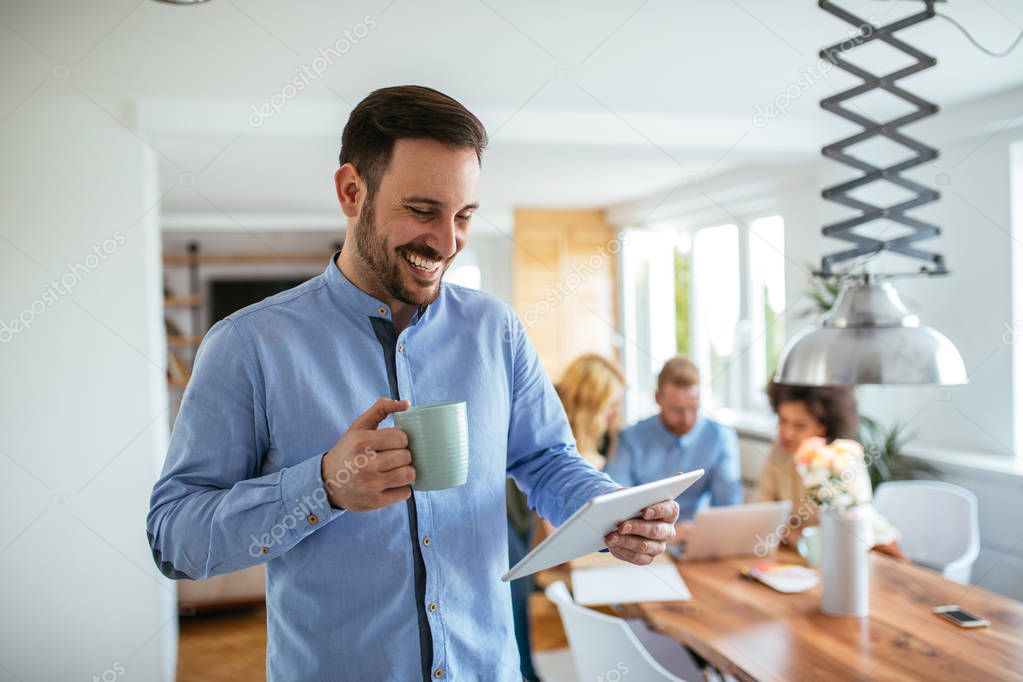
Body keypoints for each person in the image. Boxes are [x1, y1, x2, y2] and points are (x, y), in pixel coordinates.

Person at [146, 85, 679, 682]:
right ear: (352, 192)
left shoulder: (495, 330)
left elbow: (548, 459)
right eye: (423, 211)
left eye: (465, 216)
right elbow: (174, 539)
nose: (447, 242)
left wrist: (607, 514)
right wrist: (323, 486)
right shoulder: (248, 345)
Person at [505, 352, 625, 681]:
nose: (615, 417)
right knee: (520, 655)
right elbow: (565, 534)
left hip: (532, 554)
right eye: (610, 406)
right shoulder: (549, 443)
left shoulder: (582, 438)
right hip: (514, 550)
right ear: (591, 405)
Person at [753, 381, 903, 556]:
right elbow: (761, 513)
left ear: (822, 427)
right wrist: (788, 534)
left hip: (870, 550)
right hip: (811, 552)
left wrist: (787, 533)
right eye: (783, 420)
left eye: (799, 425)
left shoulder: (841, 458)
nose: (787, 433)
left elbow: (838, 532)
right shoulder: (779, 452)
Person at [606, 357, 742, 543]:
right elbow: (614, 507)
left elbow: (729, 508)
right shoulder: (630, 439)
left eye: (693, 408)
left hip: (697, 541)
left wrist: (706, 533)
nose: (686, 419)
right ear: (658, 398)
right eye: (677, 410)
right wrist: (668, 534)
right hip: (641, 542)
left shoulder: (720, 437)